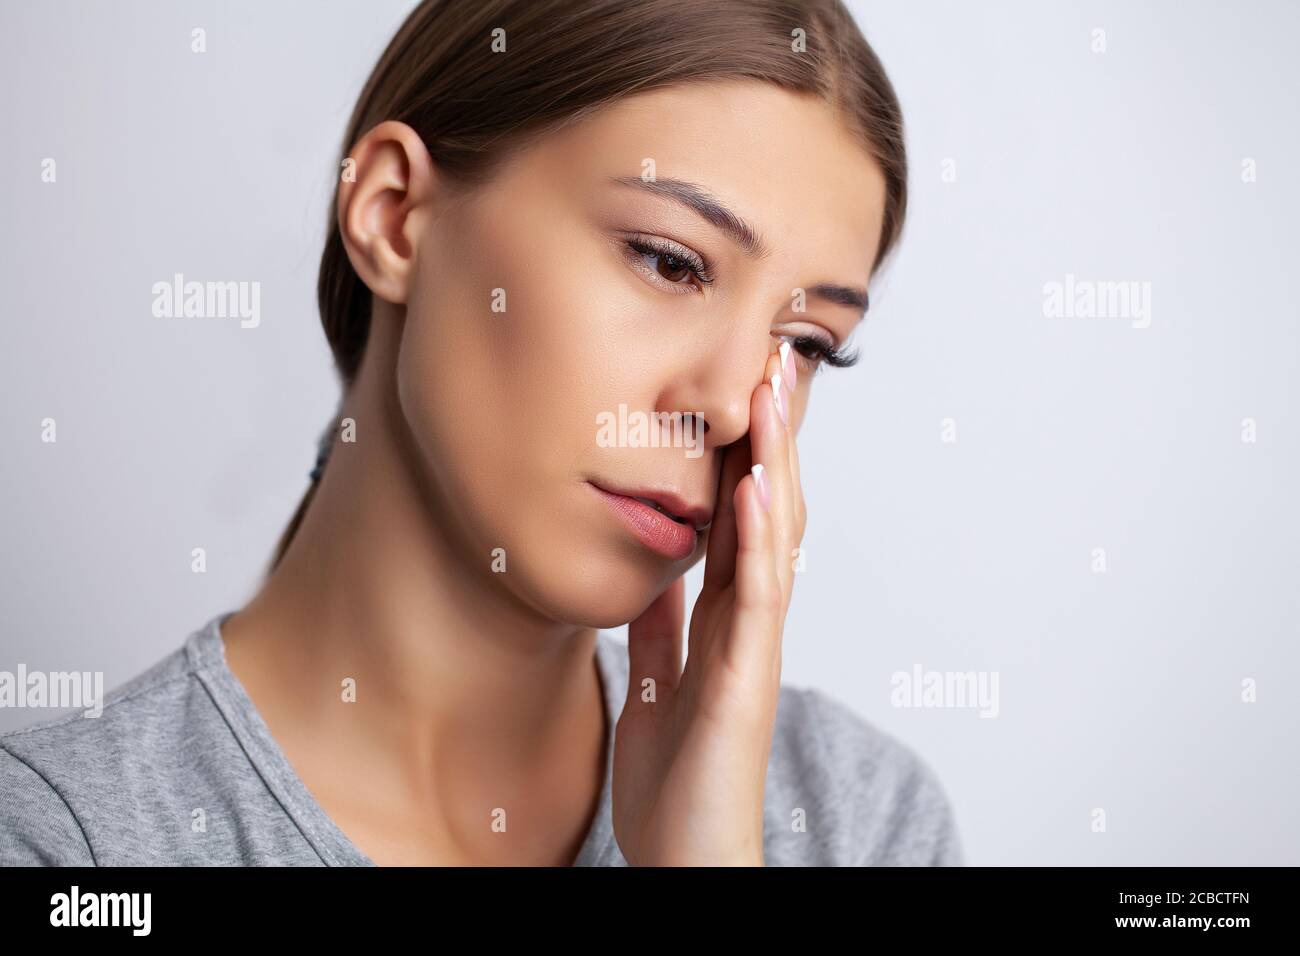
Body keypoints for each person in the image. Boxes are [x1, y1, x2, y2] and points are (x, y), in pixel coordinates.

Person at [0, 0, 961, 866]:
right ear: (396, 217)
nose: (725, 406)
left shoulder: (859, 824)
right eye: (669, 262)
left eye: (805, 344)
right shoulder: (61, 841)